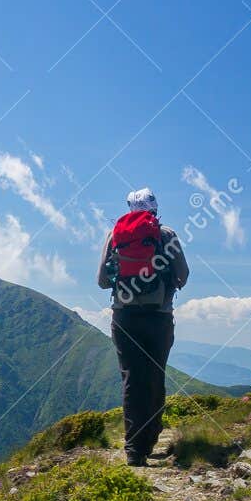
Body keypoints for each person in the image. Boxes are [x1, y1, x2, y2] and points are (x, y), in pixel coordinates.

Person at [97, 187, 188, 466]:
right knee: (154, 376)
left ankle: (134, 450)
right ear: (154, 207)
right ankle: (149, 440)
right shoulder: (167, 234)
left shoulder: (114, 235)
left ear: (129, 209)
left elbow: (102, 280)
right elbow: (183, 276)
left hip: (124, 317)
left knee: (132, 379)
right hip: (158, 317)